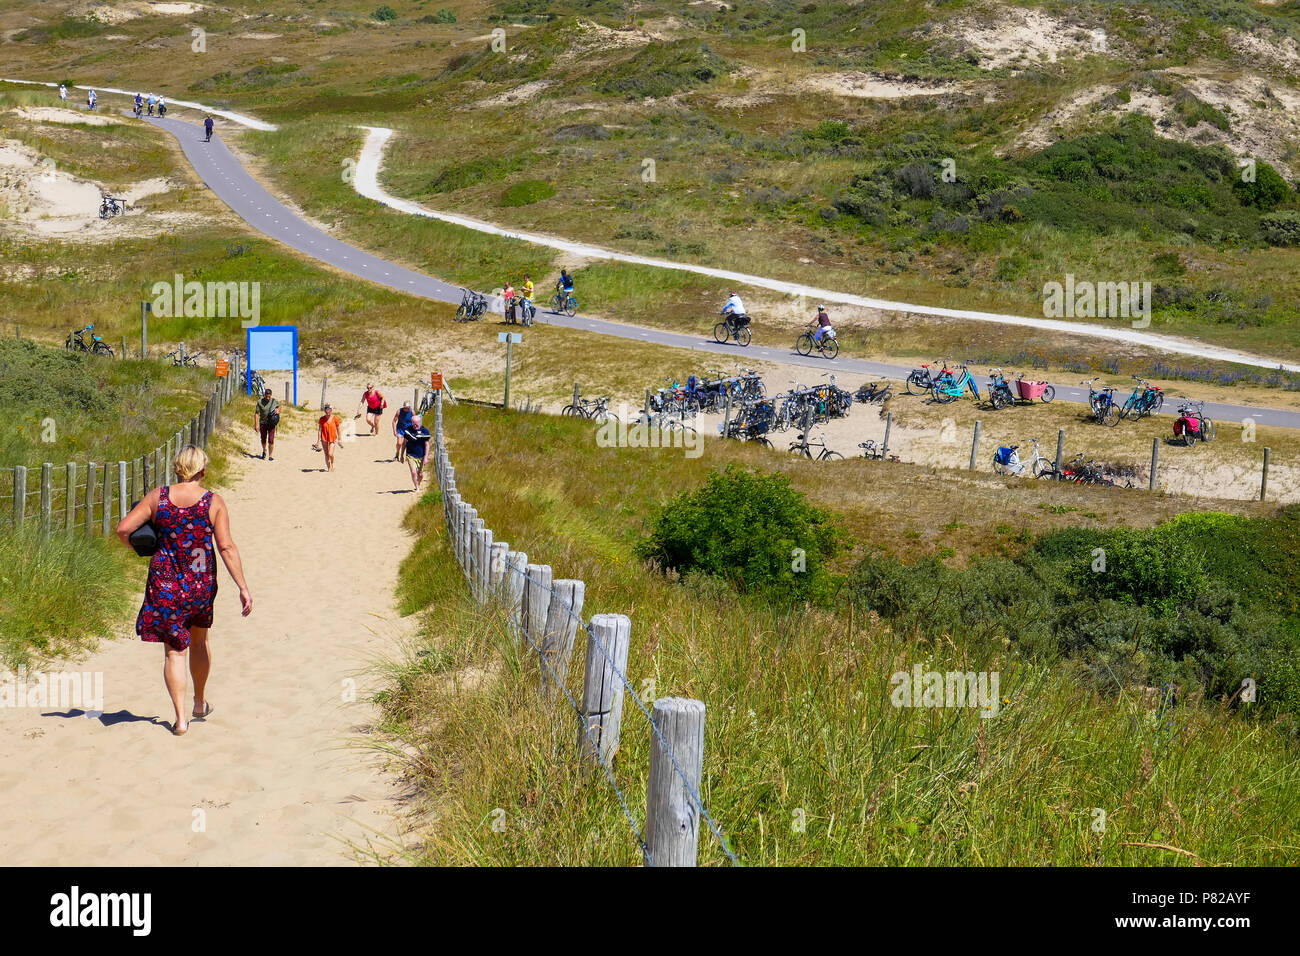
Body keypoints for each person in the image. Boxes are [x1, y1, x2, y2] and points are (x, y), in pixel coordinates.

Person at [116, 445, 252, 737]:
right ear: (203, 471)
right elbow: (226, 547)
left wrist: (142, 549)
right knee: (199, 642)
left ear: (177, 468)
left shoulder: (158, 498)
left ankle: (180, 720)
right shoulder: (213, 502)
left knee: (174, 652)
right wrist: (243, 587)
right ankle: (199, 702)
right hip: (200, 584)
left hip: (164, 584)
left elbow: (123, 529)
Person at [402, 414, 431, 492]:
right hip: (411, 454)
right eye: (413, 423)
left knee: (420, 474)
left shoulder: (425, 431)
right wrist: (401, 455)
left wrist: (426, 457)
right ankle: (417, 488)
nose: (415, 425)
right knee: (413, 472)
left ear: (420, 423)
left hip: (421, 455)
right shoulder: (408, 431)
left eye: (417, 423)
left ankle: (418, 483)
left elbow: (427, 445)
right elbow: (404, 443)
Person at [254, 386, 279, 460]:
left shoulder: (274, 401)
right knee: (263, 439)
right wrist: (256, 425)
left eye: (269, 396)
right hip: (263, 423)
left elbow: (279, 406)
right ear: (264, 395)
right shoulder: (260, 402)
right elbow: (256, 413)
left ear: (271, 395)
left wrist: (278, 410)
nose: (268, 398)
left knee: (271, 440)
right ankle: (264, 450)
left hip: (271, 423)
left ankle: (270, 456)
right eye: (267, 396)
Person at [317, 404, 342, 471]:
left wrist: (339, 439)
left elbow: (338, 429)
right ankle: (328, 468)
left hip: (332, 438)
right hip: (324, 438)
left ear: (331, 410)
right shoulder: (322, 419)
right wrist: (318, 441)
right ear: (325, 411)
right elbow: (319, 430)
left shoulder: (335, 418)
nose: (328, 412)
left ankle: (333, 462)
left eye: (329, 410)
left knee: (330, 453)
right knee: (326, 454)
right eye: (326, 410)